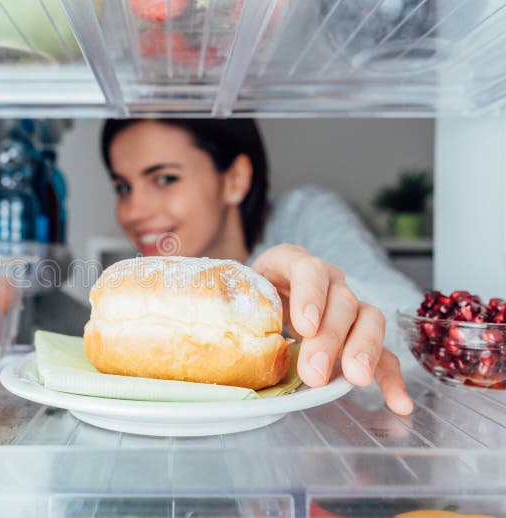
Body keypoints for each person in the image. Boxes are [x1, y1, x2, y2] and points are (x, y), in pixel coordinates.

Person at [97, 118, 422, 416]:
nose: (134, 212)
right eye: (123, 187)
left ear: (235, 179)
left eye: (165, 179)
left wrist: (320, 311)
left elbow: (407, 312)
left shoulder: (305, 214)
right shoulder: (140, 288)